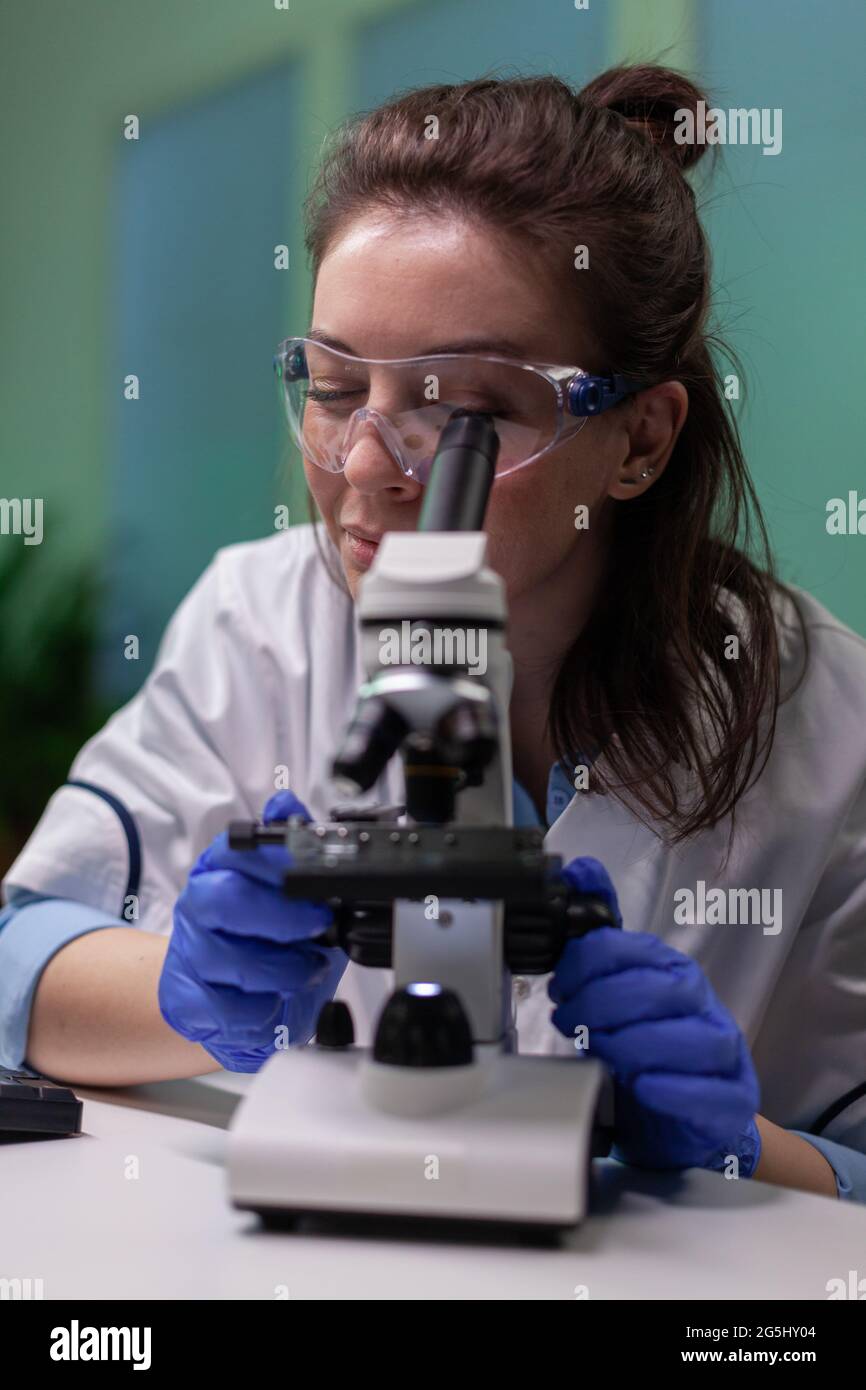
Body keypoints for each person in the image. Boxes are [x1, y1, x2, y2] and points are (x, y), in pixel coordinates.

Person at [2, 64, 864, 1201]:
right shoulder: (259, 618)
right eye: (331, 385)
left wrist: (743, 1149)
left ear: (640, 439)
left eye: (466, 411)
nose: (364, 465)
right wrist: (190, 993)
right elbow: (23, 958)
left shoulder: (824, 721)